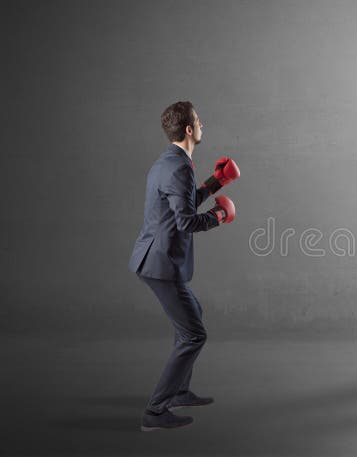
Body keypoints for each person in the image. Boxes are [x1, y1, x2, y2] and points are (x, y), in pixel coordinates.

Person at [129, 101, 240, 431]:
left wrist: (216, 182)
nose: (202, 124)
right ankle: (155, 410)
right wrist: (220, 216)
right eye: (198, 121)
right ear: (189, 130)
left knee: (194, 314)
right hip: (160, 264)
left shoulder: (169, 162)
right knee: (194, 335)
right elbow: (186, 221)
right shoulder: (178, 167)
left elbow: (182, 200)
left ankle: (178, 391)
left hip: (155, 258)